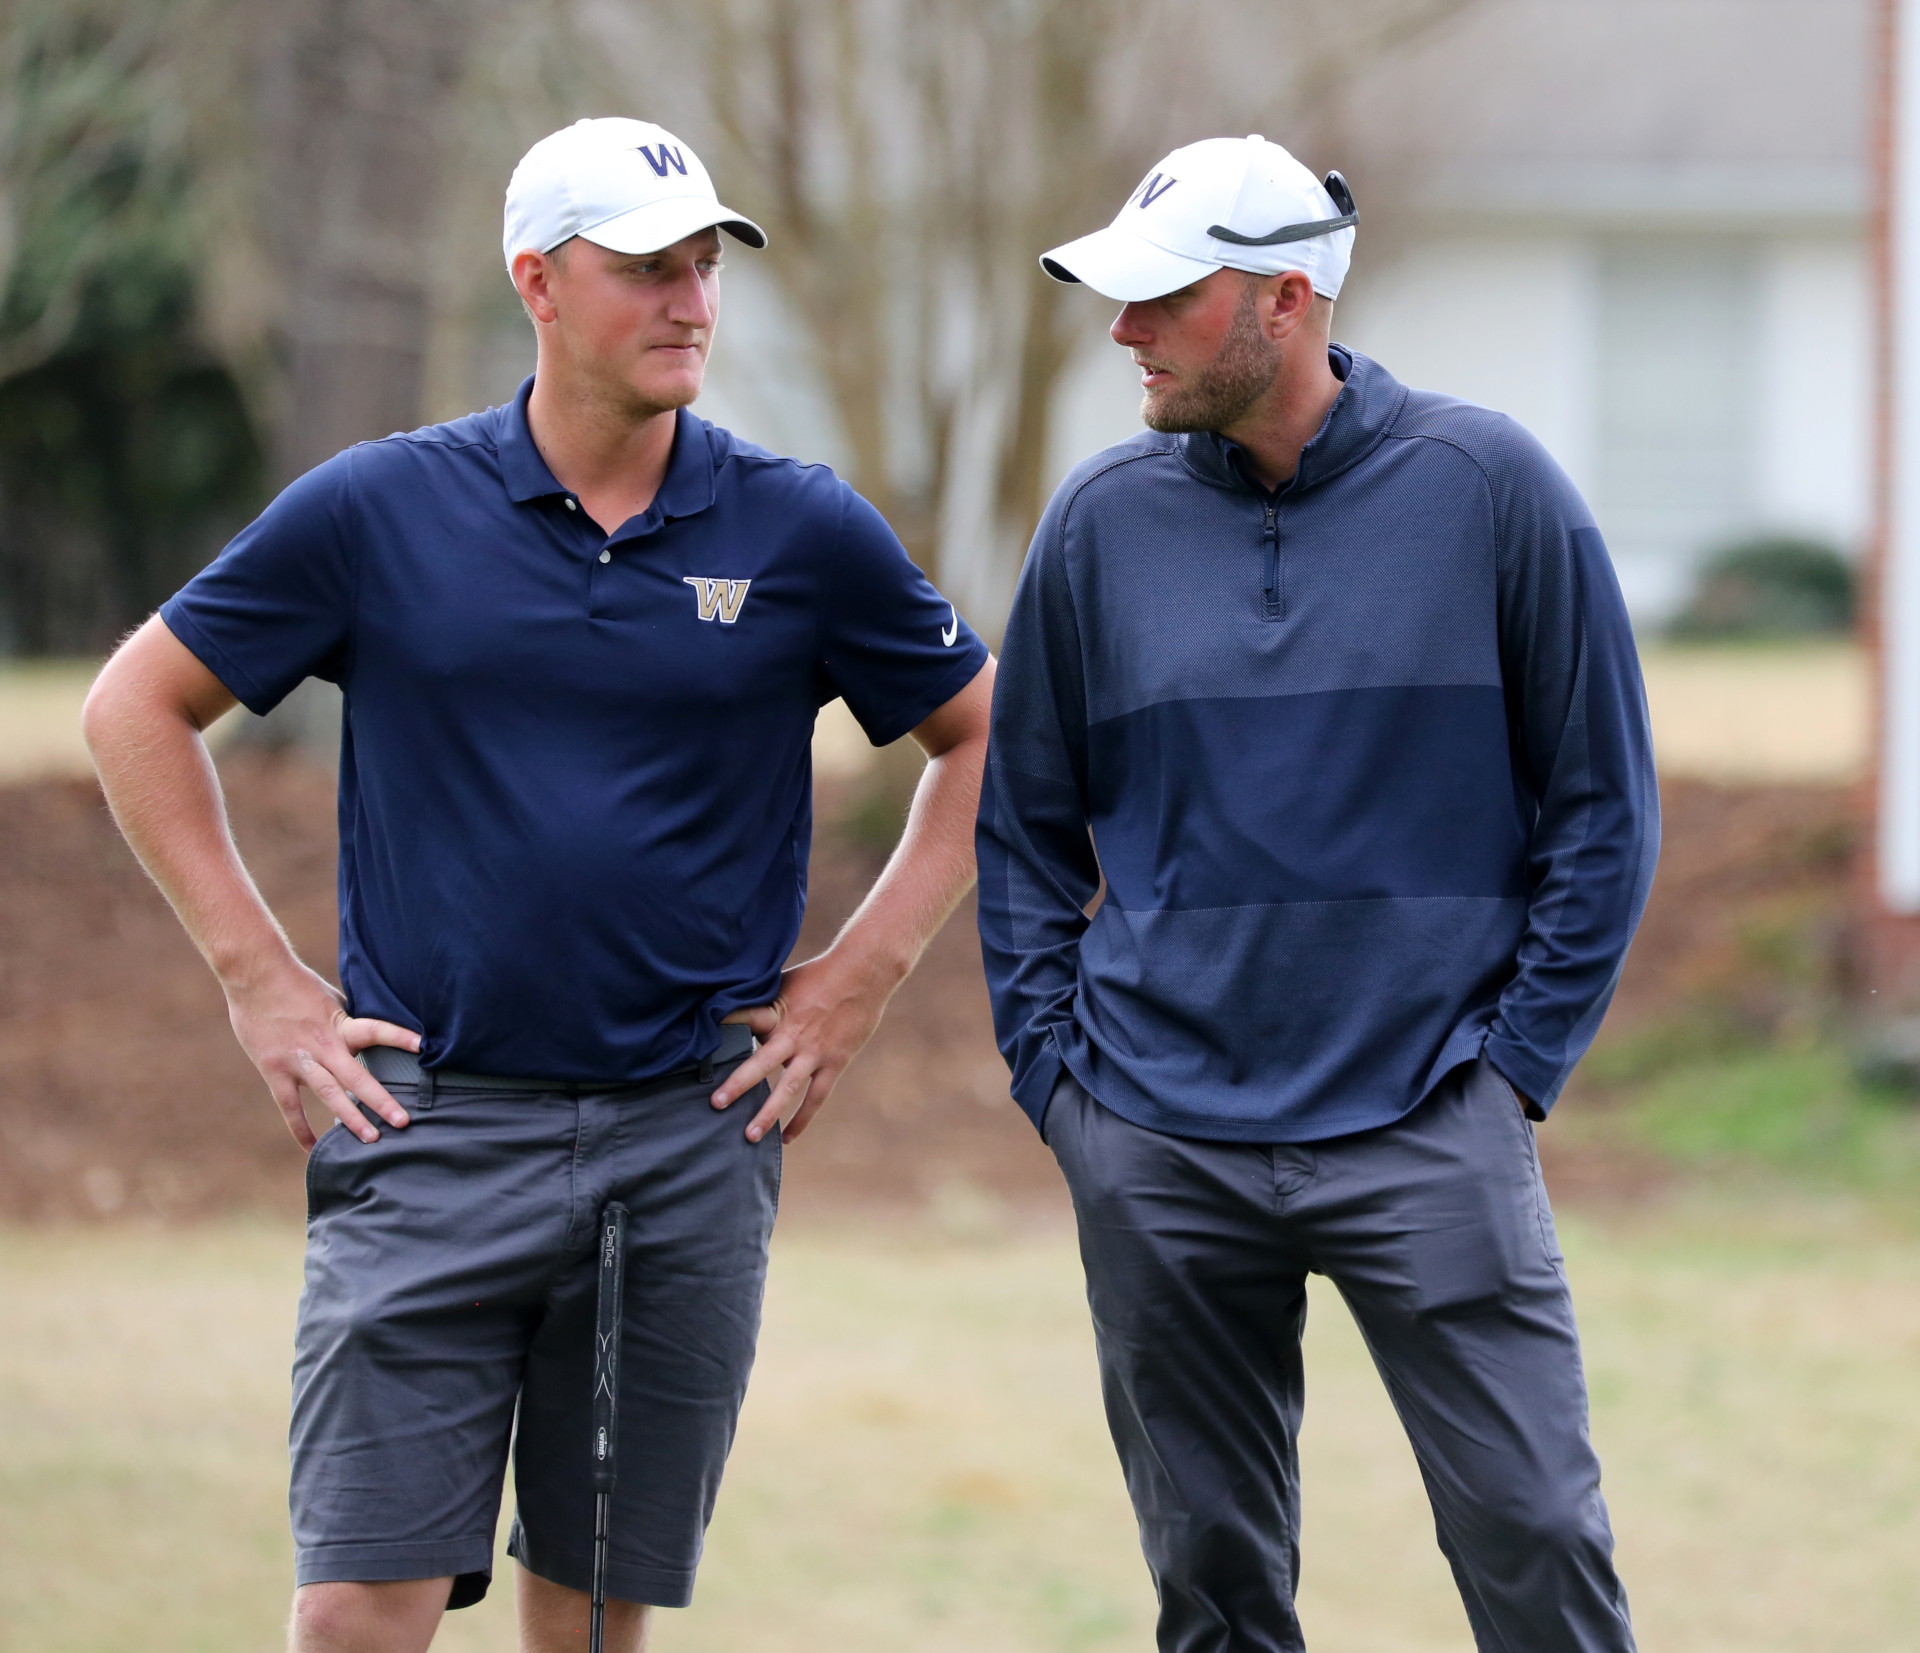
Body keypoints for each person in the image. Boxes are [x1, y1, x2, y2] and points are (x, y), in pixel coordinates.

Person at [84, 117, 992, 1653]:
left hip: (686, 1140)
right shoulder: (381, 509)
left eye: (703, 265)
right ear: (539, 282)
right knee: (354, 1612)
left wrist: (858, 979)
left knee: (586, 1626)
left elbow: (987, 746)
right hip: (428, 1125)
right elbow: (133, 707)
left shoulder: (802, 529)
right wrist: (262, 981)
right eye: (645, 268)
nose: (690, 299)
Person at [977, 134, 1656, 1653]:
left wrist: (1512, 1075)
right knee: (1212, 1581)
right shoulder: (1097, 525)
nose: (1123, 331)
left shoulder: (1493, 491)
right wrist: (1063, 1089)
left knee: (1537, 1538)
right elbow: (1022, 828)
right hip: (1158, 1136)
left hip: (1429, 1119)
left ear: (1284, 300)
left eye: (1163, 299)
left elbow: (1603, 813)